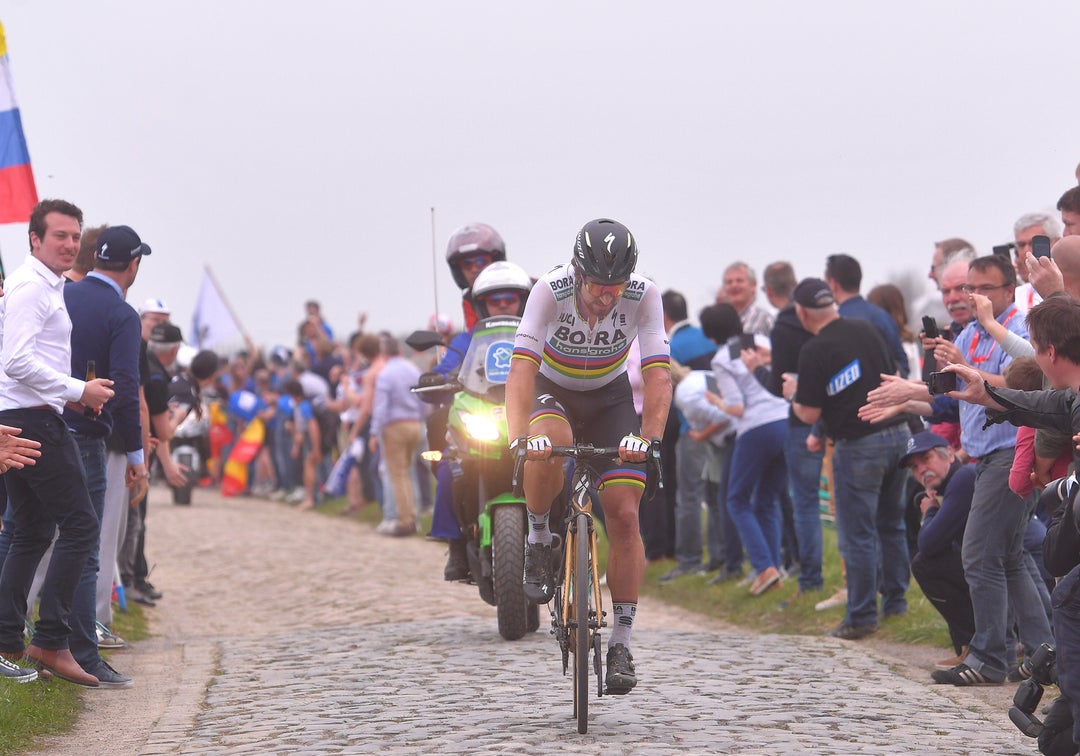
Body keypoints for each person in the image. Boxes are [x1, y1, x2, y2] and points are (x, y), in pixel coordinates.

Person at [507, 218, 671, 694]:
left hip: (609, 399)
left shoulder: (645, 295)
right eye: (597, 285)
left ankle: (621, 643)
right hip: (550, 390)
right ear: (578, 273)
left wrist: (650, 439)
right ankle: (539, 537)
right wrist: (520, 438)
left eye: (615, 286)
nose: (606, 296)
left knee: (623, 514)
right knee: (548, 443)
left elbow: (658, 373)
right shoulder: (548, 290)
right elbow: (520, 370)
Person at [944, 295, 1080, 732]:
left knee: (1067, 595)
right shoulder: (1071, 396)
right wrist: (988, 393)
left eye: (1034, 348)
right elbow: (1049, 407)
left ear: (1050, 354)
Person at [0, 199, 114, 687]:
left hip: (32, 414)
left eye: (74, 236)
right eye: (59, 236)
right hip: (33, 422)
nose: (69, 244)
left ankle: (6, 642)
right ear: (35, 240)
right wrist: (77, 390)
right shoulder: (31, 288)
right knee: (82, 526)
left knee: (31, 531)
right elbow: (16, 362)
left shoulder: (46, 285)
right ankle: (51, 640)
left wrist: (70, 399)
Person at [925, 254, 1053, 686]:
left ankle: (988, 658)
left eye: (983, 288)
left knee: (978, 555)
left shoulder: (1020, 328)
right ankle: (1044, 654)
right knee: (1009, 557)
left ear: (1009, 289)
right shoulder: (969, 332)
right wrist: (953, 365)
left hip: (1010, 449)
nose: (972, 296)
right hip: (984, 454)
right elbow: (968, 388)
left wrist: (970, 369)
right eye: (968, 288)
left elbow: (1023, 386)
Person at [782, 278, 910, 640]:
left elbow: (808, 412)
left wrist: (794, 392)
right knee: (892, 524)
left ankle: (861, 615)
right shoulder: (866, 328)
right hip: (898, 433)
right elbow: (890, 376)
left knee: (857, 534)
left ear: (803, 313)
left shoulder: (814, 349)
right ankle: (896, 603)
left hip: (858, 443)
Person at [60, 224, 154, 688]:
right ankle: (81, 650)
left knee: (29, 537)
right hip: (88, 436)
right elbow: (124, 387)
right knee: (87, 546)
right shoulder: (121, 312)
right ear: (132, 265)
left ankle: (21, 639)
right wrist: (136, 452)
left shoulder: (65, 294)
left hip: (42, 426)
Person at [705, 303, 790, 596]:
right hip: (786, 420)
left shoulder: (721, 359)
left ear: (710, 334)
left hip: (756, 427)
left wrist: (716, 402)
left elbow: (738, 407)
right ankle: (775, 571)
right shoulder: (763, 341)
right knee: (767, 501)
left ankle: (764, 567)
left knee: (737, 500)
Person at [658, 289, 719, 582]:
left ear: (664, 316)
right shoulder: (705, 337)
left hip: (690, 430)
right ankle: (719, 556)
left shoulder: (671, 346)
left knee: (688, 497)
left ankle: (689, 560)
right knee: (717, 496)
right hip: (720, 427)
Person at [901, 431, 976, 671]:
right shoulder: (952, 482)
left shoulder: (963, 477)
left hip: (1021, 569)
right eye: (915, 466)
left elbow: (929, 544)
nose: (921, 470)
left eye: (926, 459)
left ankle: (976, 646)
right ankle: (970, 646)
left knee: (924, 564)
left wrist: (930, 511)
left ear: (950, 454)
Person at [369, 335, 428, 537]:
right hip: (415, 423)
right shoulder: (412, 369)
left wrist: (374, 432)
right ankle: (414, 516)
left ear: (384, 353)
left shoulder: (386, 373)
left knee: (398, 474)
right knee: (409, 472)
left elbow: (380, 407)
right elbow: (423, 398)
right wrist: (421, 419)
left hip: (395, 426)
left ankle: (405, 520)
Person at [824, 254, 910, 378]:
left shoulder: (834, 322)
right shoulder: (882, 316)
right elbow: (902, 364)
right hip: (889, 391)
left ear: (833, 284)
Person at [445, 222, 507, 332]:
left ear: (496, 260)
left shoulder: (531, 286)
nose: (474, 269)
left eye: (481, 261)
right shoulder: (469, 298)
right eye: (467, 264)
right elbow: (474, 338)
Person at [1011, 212, 1062, 315]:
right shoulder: (1016, 295)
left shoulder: (1072, 284)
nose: (1026, 251)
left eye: (1033, 243)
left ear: (1056, 243)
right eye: (1021, 245)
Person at [718, 262, 773, 336]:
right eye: (729, 282)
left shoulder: (764, 319)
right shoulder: (720, 322)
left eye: (739, 281)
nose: (734, 285)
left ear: (753, 285)